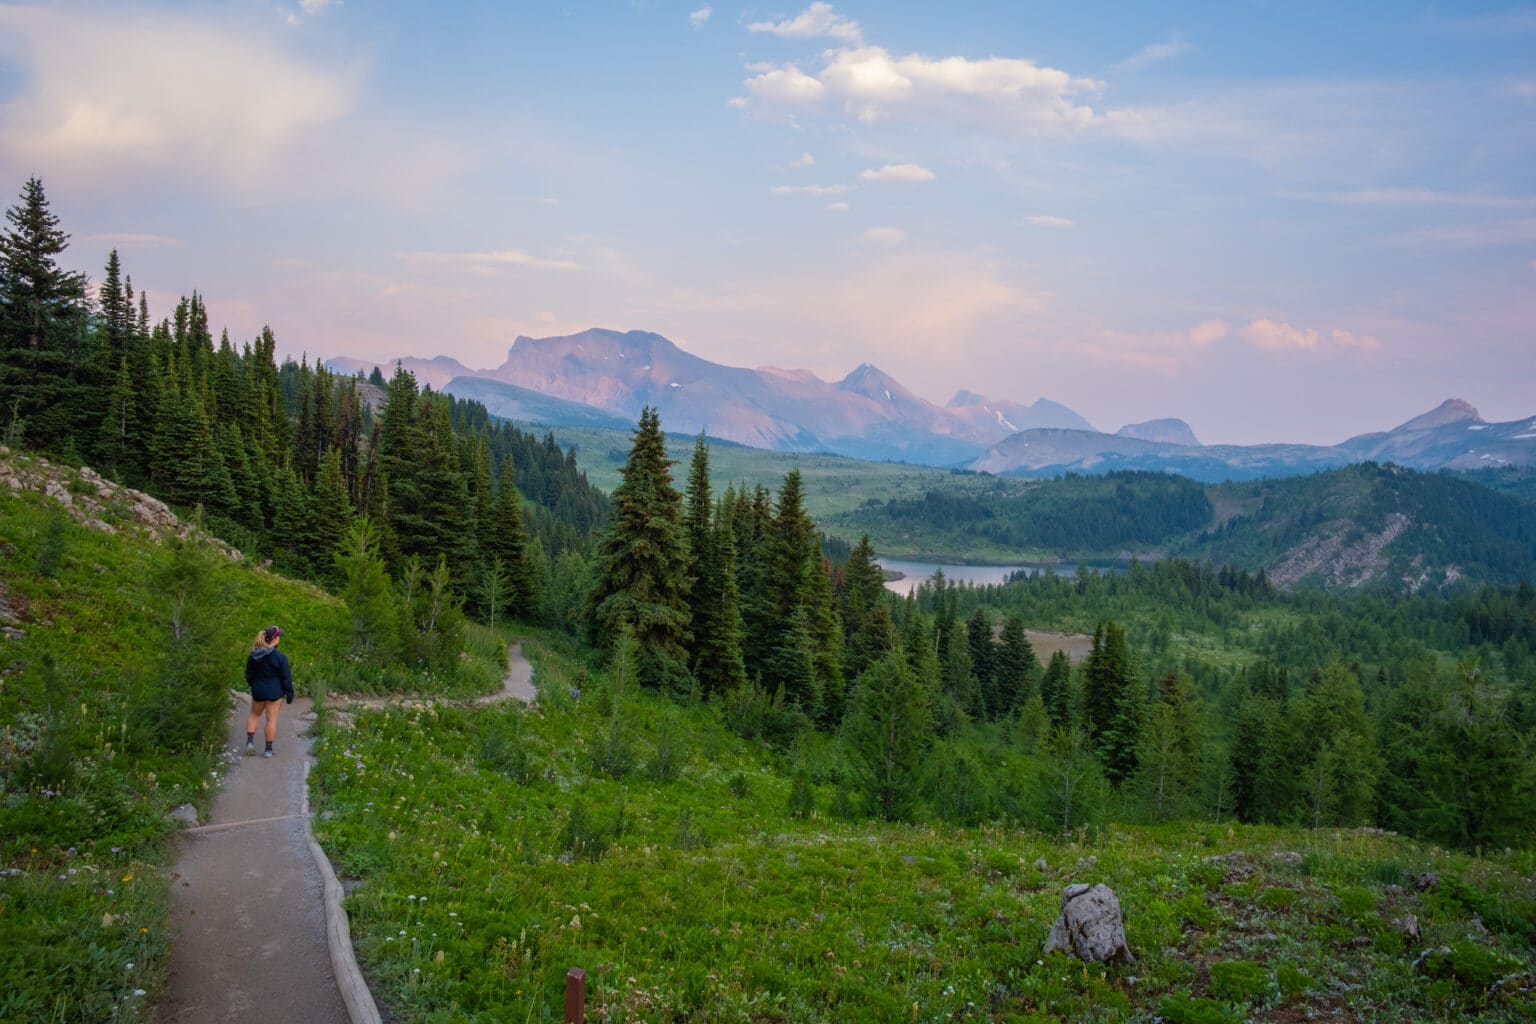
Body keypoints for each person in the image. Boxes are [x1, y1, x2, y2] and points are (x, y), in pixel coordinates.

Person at [244, 626, 293, 758]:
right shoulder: (280, 657)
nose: (279, 639)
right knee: (271, 720)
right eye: (279, 637)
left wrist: (254, 685)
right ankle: (268, 750)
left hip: (258, 689)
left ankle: (249, 743)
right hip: (275, 691)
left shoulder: (254, 655)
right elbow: (286, 677)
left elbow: (249, 674)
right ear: (274, 639)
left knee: (254, 714)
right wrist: (289, 692)